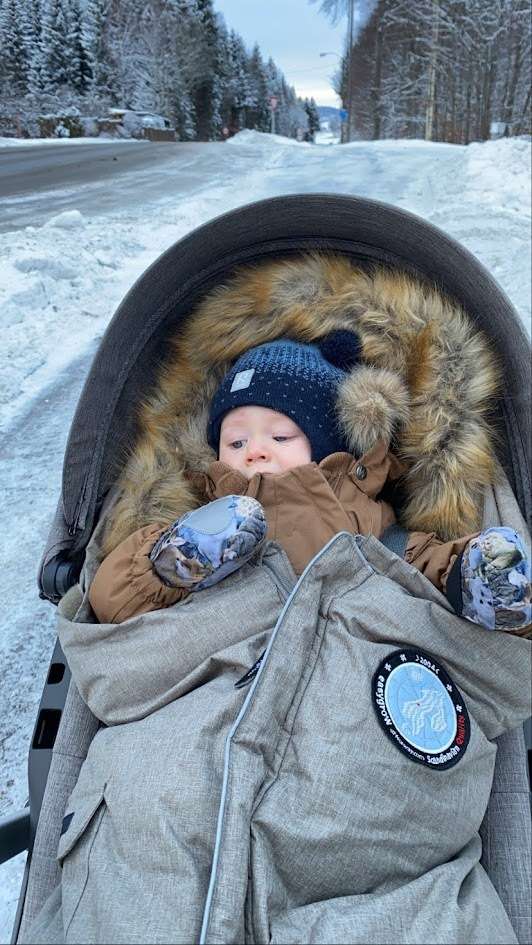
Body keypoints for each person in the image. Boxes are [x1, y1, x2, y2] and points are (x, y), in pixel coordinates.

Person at [88, 333, 531, 634]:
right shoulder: (197, 521)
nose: (254, 451)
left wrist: (476, 576)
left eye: (280, 437)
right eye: (235, 441)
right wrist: (171, 565)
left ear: (328, 446)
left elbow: (426, 566)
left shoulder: (373, 527)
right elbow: (111, 603)